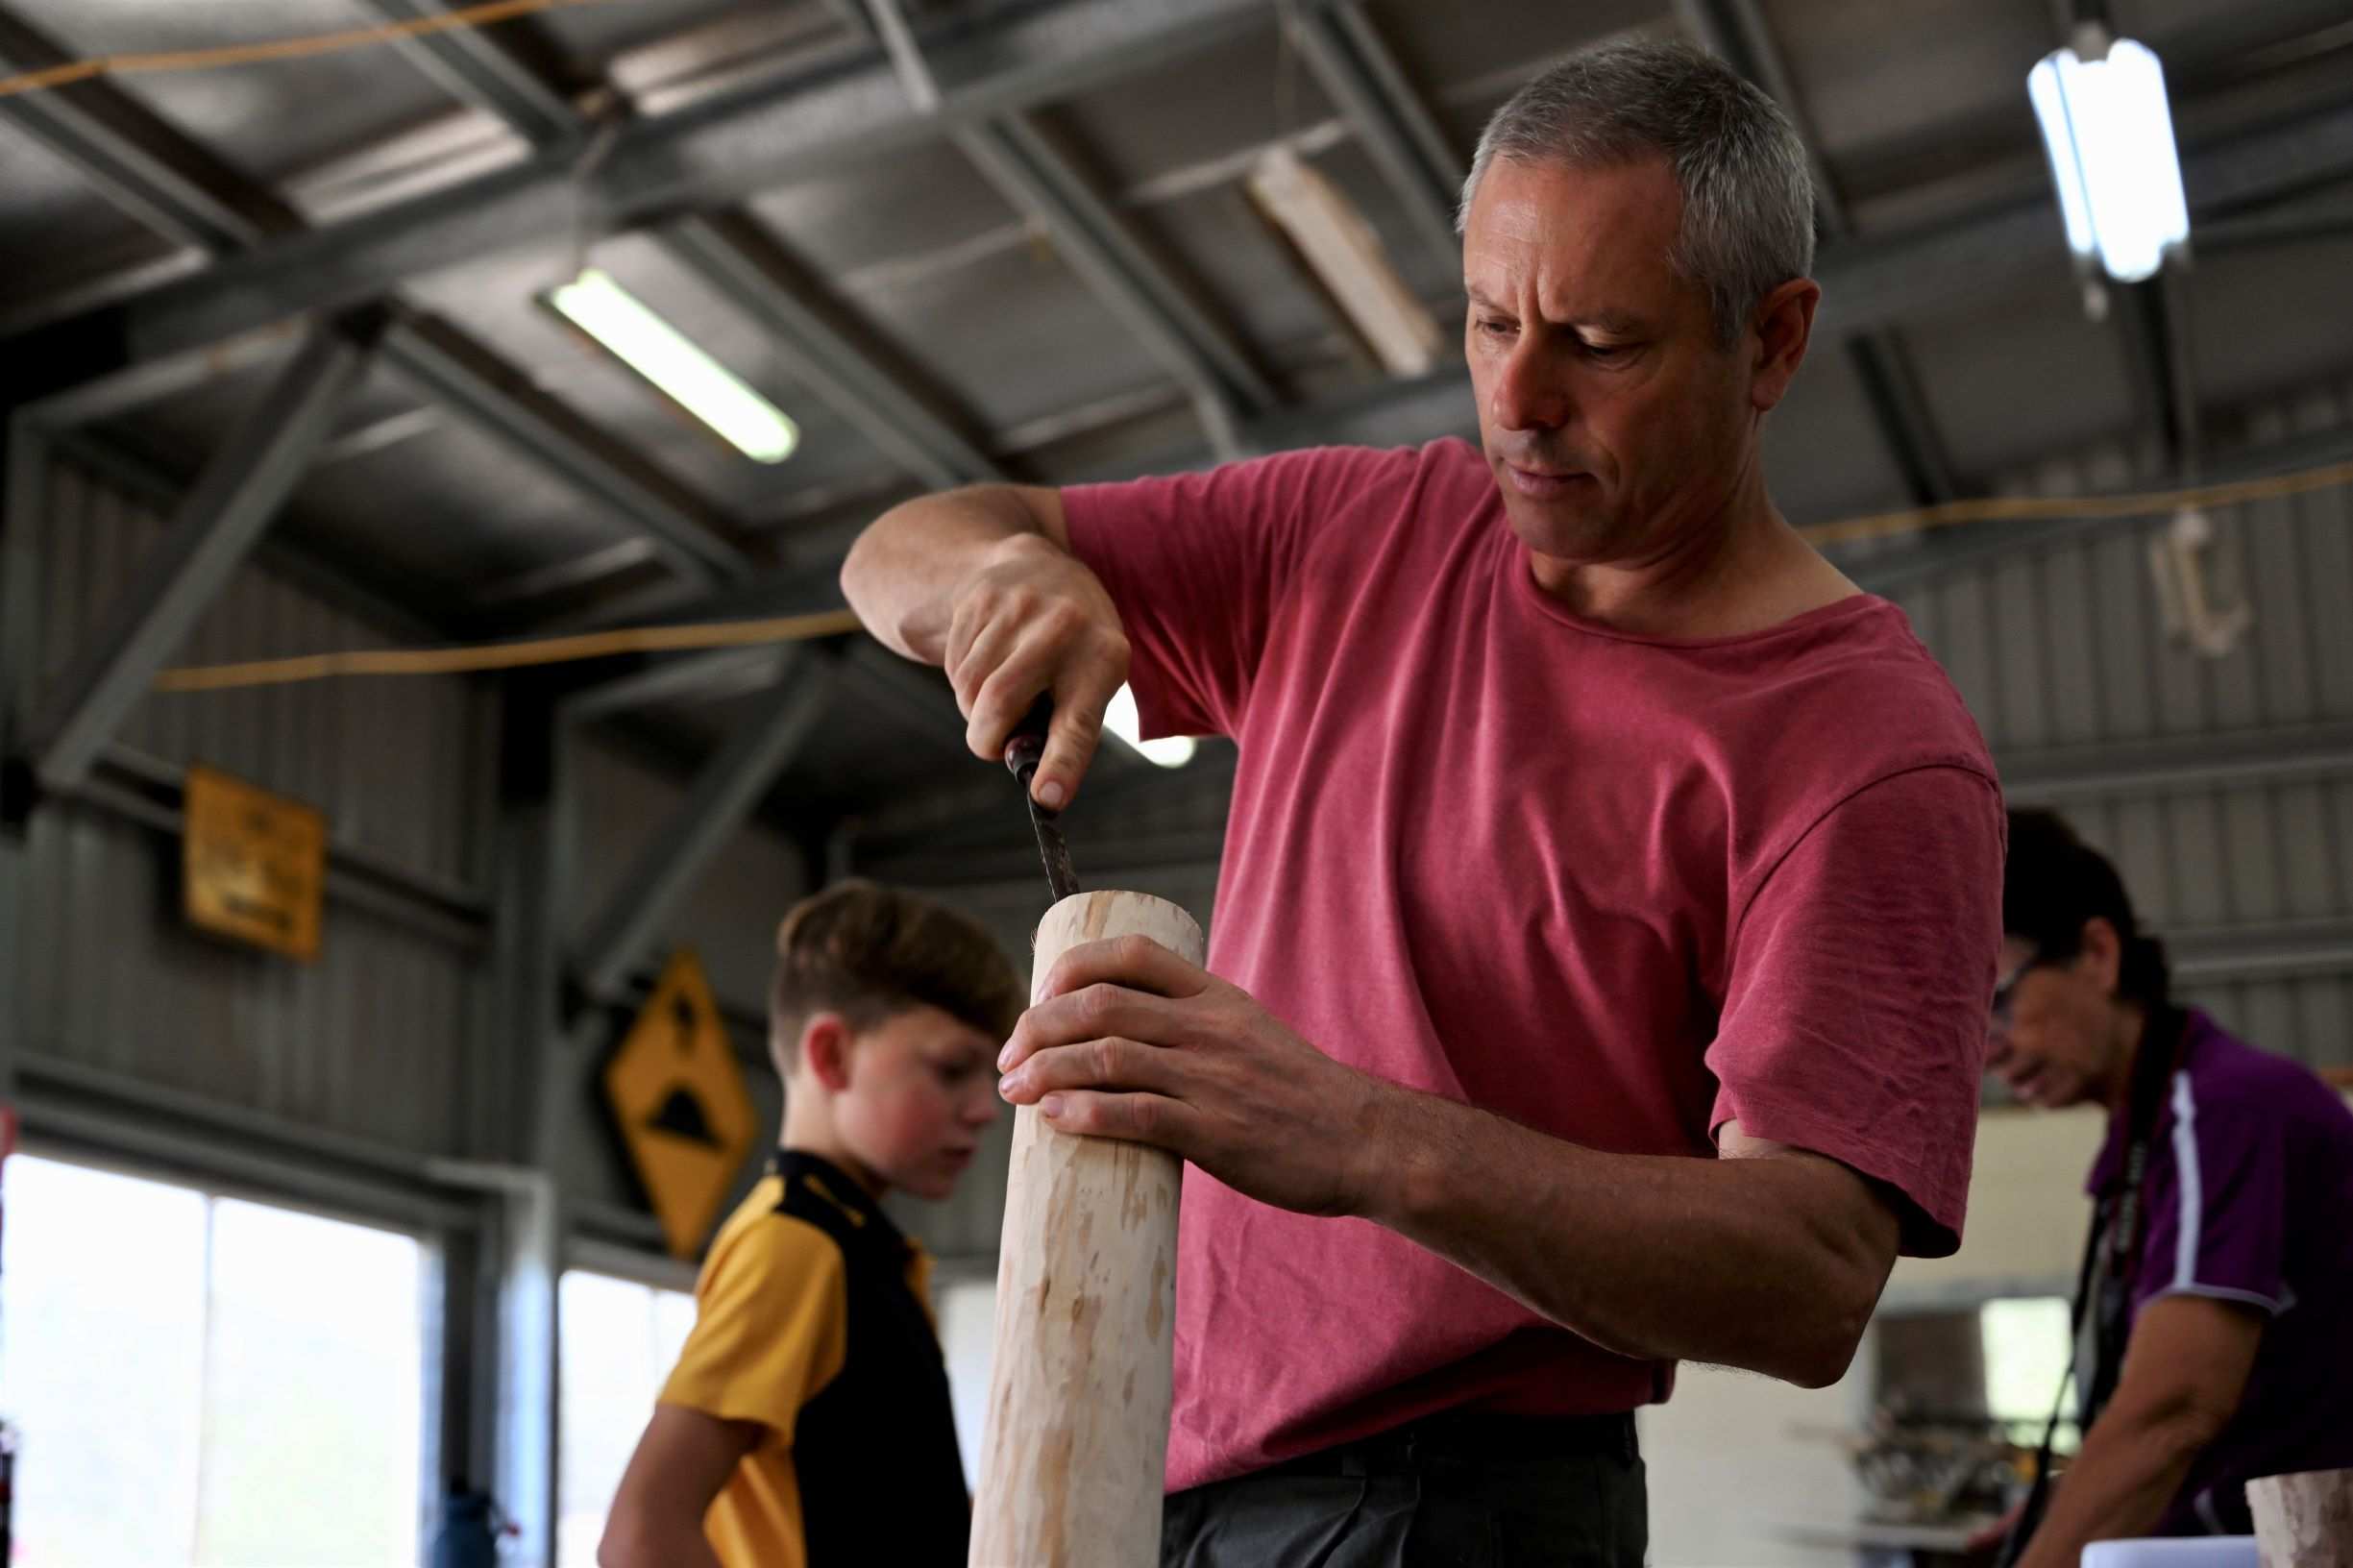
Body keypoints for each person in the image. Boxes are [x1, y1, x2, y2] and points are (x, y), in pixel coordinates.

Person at [844, 40, 2005, 1565]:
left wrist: (1356, 1136)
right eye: (1488, 320)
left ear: (1771, 343)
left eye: (1599, 341)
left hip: (1450, 1512)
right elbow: (896, 551)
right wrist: (1005, 573)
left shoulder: (1862, 751)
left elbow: (1809, 1278)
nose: (1516, 398)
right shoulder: (1357, 535)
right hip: (1160, 1471)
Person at [598, 880, 1024, 1568]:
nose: (985, 1107)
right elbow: (643, 1536)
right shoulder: (792, 1246)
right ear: (831, 1056)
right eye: (952, 1070)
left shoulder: (866, 1250)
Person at [1987, 810, 2353, 1562]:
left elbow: (2175, 1406)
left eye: (1994, 1001)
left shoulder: (2221, 1110)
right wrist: (2050, 1519)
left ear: (2095, 953)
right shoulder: (2147, 1139)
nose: (1985, 1053)